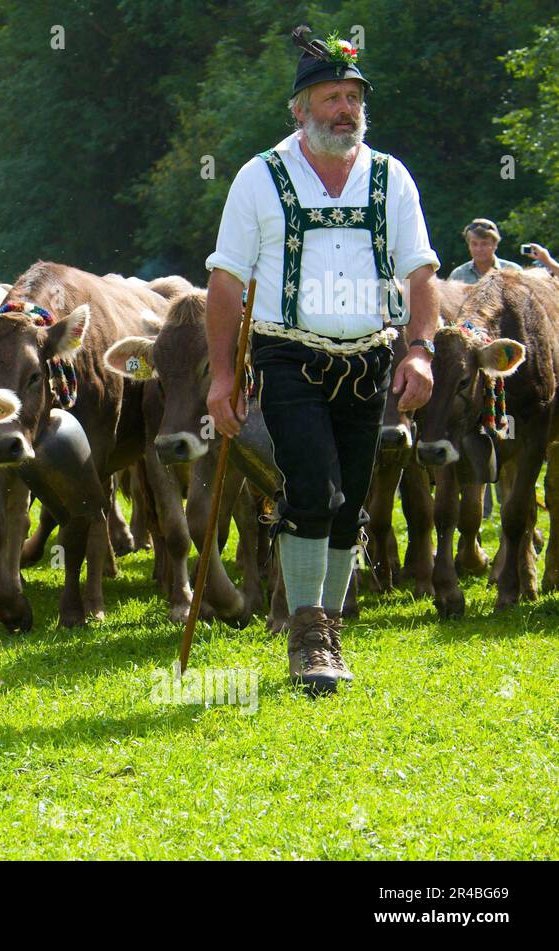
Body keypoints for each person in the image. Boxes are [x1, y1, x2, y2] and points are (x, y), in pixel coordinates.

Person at [204, 26, 439, 695]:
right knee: (311, 485)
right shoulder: (261, 177)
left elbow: (421, 274)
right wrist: (223, 374)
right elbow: (226, 282)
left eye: (354, 99)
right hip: (288, 357)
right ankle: (306, 631)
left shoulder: (390, 178)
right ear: (300, 109)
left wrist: (419, 350)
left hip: (369, 360)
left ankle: (326, 628)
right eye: (332, 97)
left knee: (350, 501)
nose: (346, 110)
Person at [447, 219, 522, 284]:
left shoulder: (513, 271)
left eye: (484, 244)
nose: (479, 249)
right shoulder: (458, 275)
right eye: (474, 244)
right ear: (468, 245)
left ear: (495, 244)